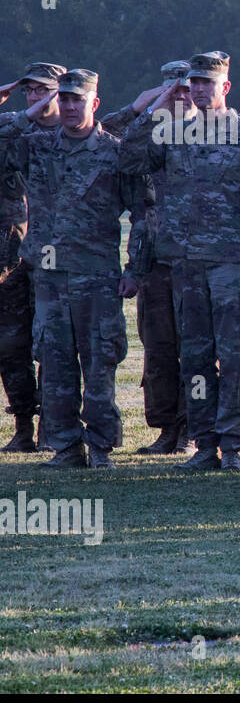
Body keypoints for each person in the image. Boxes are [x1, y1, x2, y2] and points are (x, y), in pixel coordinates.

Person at [121, 51, 240, 473]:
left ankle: (232, 443)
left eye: (206, 83)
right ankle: (204, 442)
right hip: (186, 265)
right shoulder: (172, 134)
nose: (197, 90)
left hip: (233, 264)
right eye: (191, 83)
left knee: (233, 357)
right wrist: (157, 104)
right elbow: (130, 157)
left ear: (225, 87)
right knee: (194, 358)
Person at [0, 69, 151, 469]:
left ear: (94, 103)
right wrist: (24, 114)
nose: (68, 106)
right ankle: (66, 446)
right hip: (48, 278)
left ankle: (100, 446)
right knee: (54, 360)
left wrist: (135, 268)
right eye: (62, 99)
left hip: (98, 277)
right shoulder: (35, 146)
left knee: (99, 361)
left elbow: (144, 212)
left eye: (76, 99)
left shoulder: (115, 152)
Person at [101, 60, 194, 455]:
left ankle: (194, 430)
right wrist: (138, 109)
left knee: (197, 350)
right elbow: (99, 136)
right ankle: (166, 428)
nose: (180, 96)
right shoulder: (148, 135)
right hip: (151, 261)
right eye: (172, 89)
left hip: (195, 261)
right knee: (157, 350)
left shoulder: (213, 132)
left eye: (187, 89)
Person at [0, 62, 63, 454]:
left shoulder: (73, 132)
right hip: (12, 254)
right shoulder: (15, 128)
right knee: (11, 342)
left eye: (44, 91)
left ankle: (55, 428)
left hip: (55, 254)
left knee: (53, 342)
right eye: (30, 91)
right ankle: (24, 426)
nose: (36, 98)